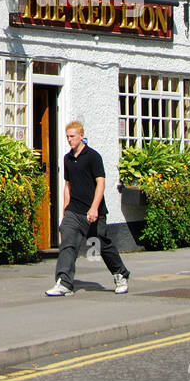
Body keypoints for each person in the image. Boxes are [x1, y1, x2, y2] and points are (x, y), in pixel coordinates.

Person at [45, 121, 131, 297]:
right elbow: (67, 185)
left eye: (72, 136)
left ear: (81, 136)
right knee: (67, 244)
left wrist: (94, 208)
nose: (69, 140)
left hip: (93, 212)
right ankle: (64, 282)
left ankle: (120, 274)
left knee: (101, 244)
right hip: (74, 211)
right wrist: (65, 210)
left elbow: (101, 183)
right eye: (67, 137)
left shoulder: (93, 157)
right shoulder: (67, 159)